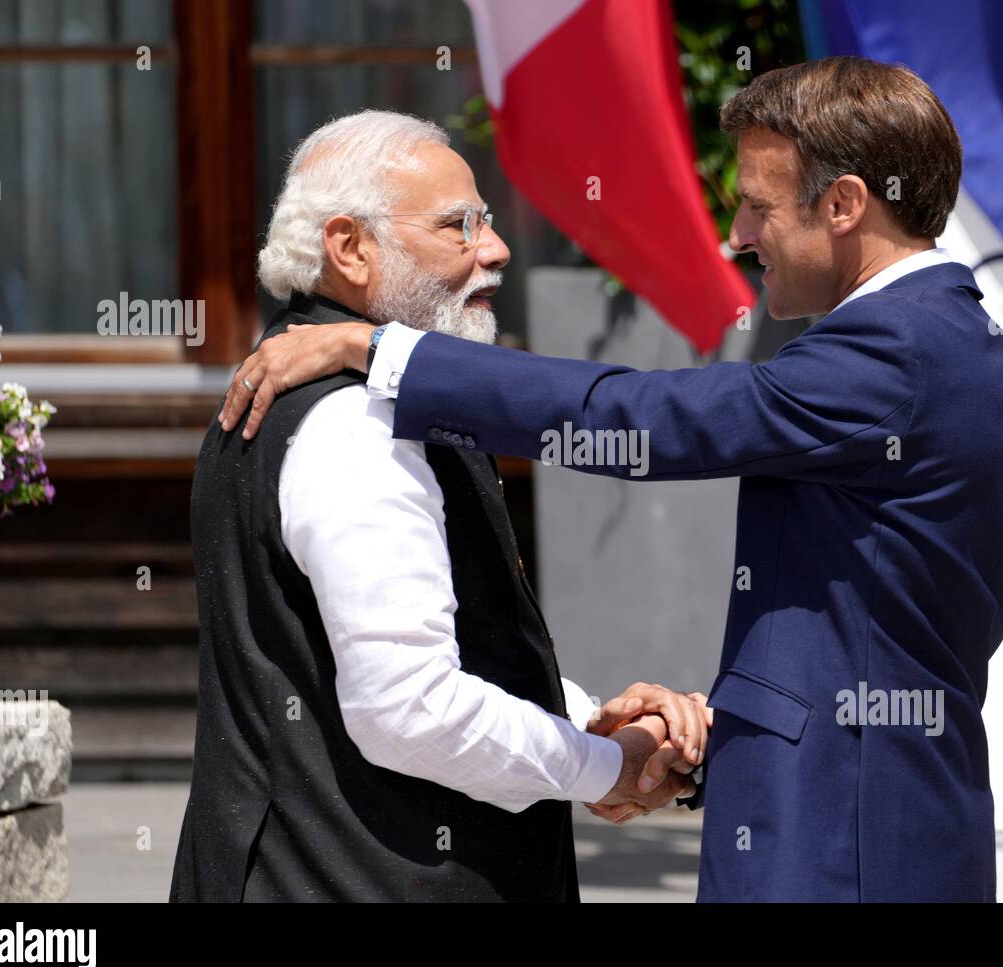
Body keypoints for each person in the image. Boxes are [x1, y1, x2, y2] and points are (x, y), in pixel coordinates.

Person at [221, 58, 1003, 902]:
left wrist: (380, 351)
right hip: (881, 818)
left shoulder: (897, 352)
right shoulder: (967, 351)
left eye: (757, 206)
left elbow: (644, 421)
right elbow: (869, 624)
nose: (738, 235)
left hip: (841, 843)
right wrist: (677, 737)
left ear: (843, 205)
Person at [171, 110, 709, 904]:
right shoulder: (356, 424)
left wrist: (587, 722)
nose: (495, 249)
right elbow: (410, 706)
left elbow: (444, 650)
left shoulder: (359, 392)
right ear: (350, 247)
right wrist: (605, 766)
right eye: (459, 225)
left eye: (486, 221)